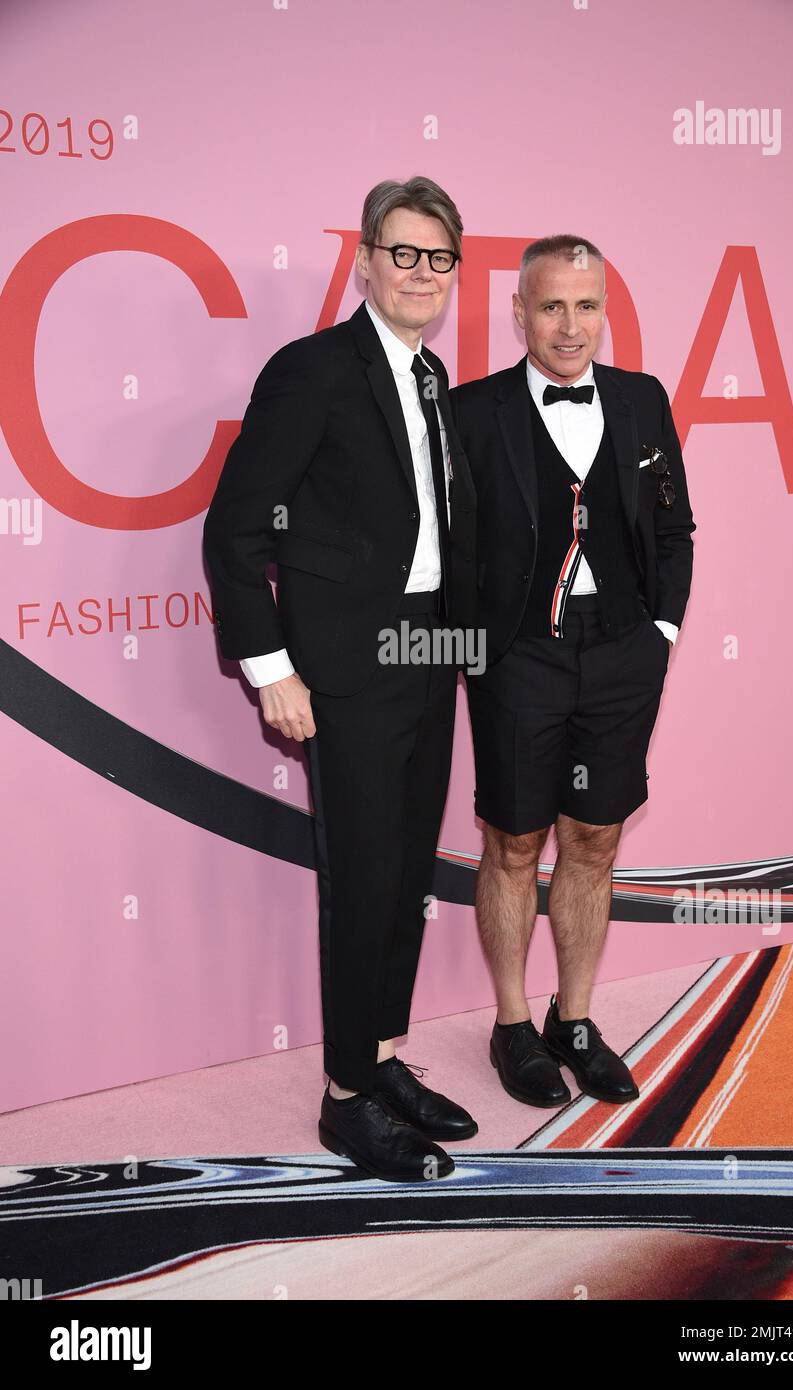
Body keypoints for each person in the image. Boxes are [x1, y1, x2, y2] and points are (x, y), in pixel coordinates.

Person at [203, 176, 478, 1181]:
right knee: (361, 880)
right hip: (343, 667)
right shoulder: (311, 370)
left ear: (453, 270)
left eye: (436, 257)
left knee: (403, 876)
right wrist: (272, 666)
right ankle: (345, 1100)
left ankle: (385, 1055)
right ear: (363, 260)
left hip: (428, 655)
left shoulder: (435, 376)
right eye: (400, 253)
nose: (417, 273)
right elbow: (235, 530)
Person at [450, 235, 695, 1109]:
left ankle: (575, 1020)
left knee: (594, 838)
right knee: (514, 841)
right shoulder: (471, 412)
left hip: (623, 648)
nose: (568, 325)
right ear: (518, 313)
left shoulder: (640, 400)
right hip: (520, 652)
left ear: (604, 312)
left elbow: (673, 526)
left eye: (584, 306)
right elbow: (447, 547)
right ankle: (512, 1024)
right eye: (549, 305)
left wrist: (660, 628)